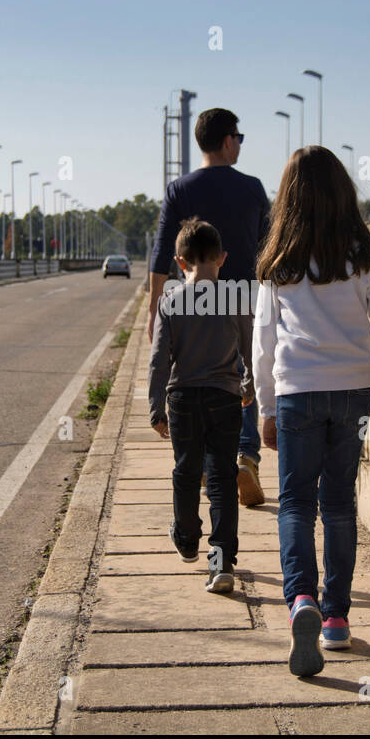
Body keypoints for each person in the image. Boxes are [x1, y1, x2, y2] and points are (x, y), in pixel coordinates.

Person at [253, 146, 370, 677]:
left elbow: (263, 340)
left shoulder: (278, 262)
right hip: (353, 394)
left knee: (296, 504)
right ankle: (336, 619)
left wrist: (263, 407)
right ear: (343, 193)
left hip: (296, 393)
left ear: (290, 200)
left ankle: (300, 598)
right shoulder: (367, 255)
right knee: (341, 503)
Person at [148, 108, 270, 507]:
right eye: (239, 137)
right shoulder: (252, 188)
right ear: (226, 140)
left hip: (193, 301)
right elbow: (272, 250)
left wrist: (154, 309)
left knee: (195, 376)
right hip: (243, 298)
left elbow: (162, 251)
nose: (239, 144)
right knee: (244, 378)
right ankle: (245, 455)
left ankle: (200, 462)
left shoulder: (179, 190)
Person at [148, 217, 254, 593]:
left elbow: (160, 358)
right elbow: (249, 349)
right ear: (222, 258)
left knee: (186, 471)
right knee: (223, 477)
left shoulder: (170, 301)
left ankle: (188, 537)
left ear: (180, 261)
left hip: (183, 399)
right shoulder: (236, 298)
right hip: (225, 397)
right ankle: (221, 559)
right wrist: (249, 385)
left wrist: (155, 407)